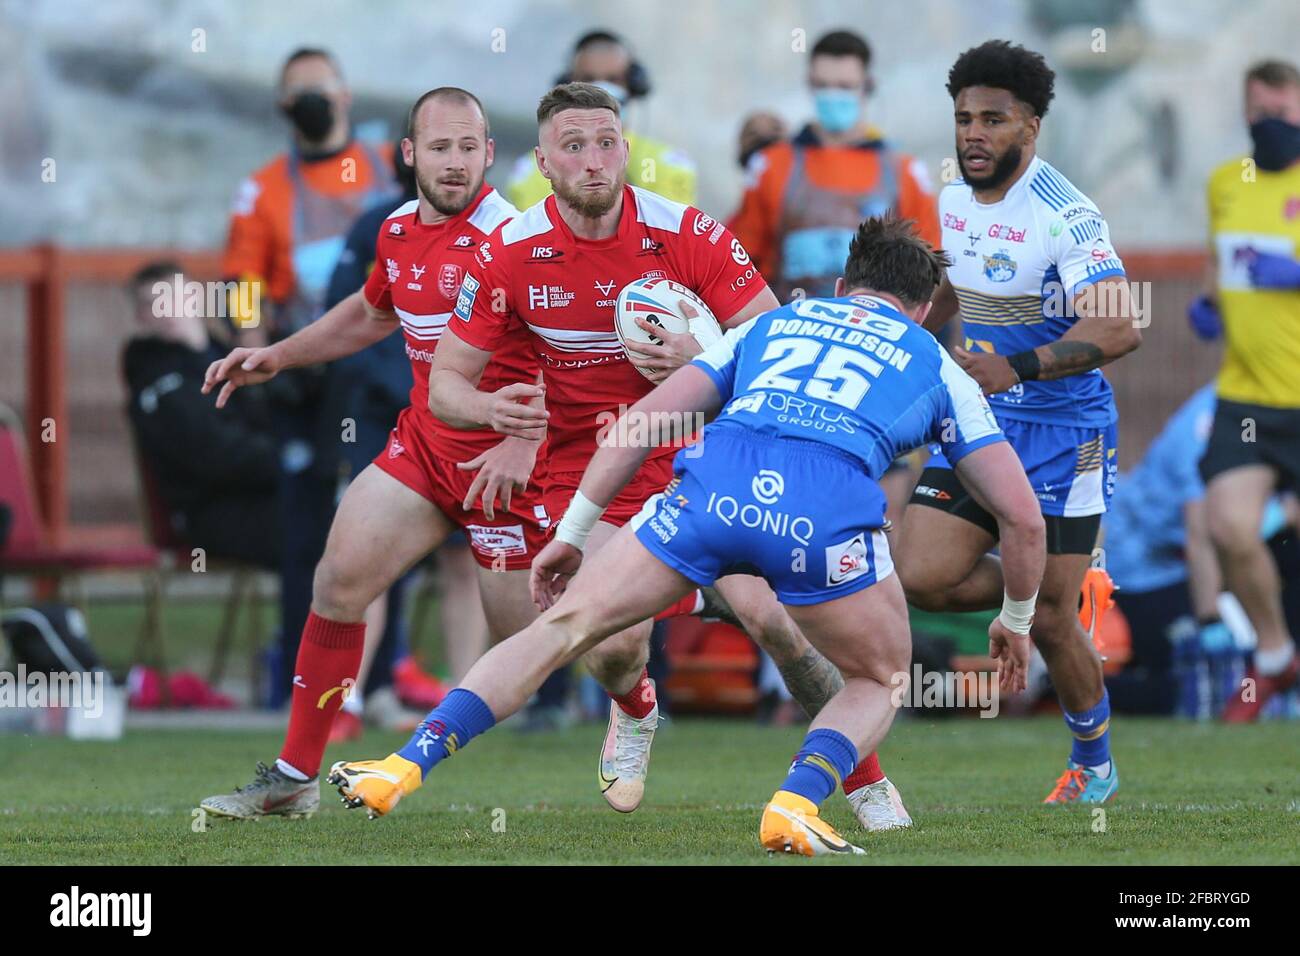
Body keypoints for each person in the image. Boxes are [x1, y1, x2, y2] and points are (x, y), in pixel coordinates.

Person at [327, 217, 1046, 857]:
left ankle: (404, 765)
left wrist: (574, 532)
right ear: (921, 310)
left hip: (710, 493)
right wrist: (1014, 621)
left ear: (839, 284)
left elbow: (640, 426)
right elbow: (1022, 517)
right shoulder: (937, 363)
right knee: (880, 677)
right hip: (817, 520)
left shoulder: (773, 324)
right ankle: (794, 803)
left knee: (563, 628)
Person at [422, 82, 912, 831]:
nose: (595, 160)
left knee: (778, 624)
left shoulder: (689, 233)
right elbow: (444, 384)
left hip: (708, 460)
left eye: (607, 142)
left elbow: (781, 354)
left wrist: (702, 355)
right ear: (543, 163)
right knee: (612, 647)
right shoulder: (508, 252)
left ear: (627, 148)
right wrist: (492, 410)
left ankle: (864, 781)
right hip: (594, 468)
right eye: (575, 146)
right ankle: (636, 706)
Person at [198, 88, 536, 820]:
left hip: (512, 465)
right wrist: (279, 356)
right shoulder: (396, 230)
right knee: (340, 579)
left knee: (543, 639)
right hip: (427, 447)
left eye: (468, 147)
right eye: (438, 147)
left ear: (489, 154)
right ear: (409, 154)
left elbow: (567, 352)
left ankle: (664, 645)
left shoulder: (518, 238)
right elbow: (373, 311)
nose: (454, 162)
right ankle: (293, 777)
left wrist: (521, 437)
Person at [895, 41, 1142, 804]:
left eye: (994, 120)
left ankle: (1093, 763)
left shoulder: (1068, 215)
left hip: (1066, 431)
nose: (974, 134)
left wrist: (1019, 366)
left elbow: (1121, 329)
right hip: (984, 417)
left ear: (1030, 128)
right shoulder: (951, 198)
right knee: (922, 574)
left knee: (1059, 626)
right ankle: (1038, 594)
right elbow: (955, 295)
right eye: (965, 118)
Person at [222, 47, 398, 707]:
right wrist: (254, 352)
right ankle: (306, 683)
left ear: (347, 96)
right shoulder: (263, 189)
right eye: (297, 94)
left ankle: (380, 677)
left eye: (319, 90)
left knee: (393, 521)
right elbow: (243, 281)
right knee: (307, 528)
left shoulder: (388, 170)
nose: (312, 103)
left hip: (388, 374)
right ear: (281, 107)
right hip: (308, 380)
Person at [1190, 59, 1300, 720]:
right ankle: (1275, 656)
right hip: (1248, 395)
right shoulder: (1225, 182)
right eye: (1258, 114)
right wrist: (1207, 305)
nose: (1270, 125)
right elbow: (1217, 263)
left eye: (1282, 114)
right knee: (1228, 525)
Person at [728, 29, 939, 304]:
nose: (833, 95)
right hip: (784, 326)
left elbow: (929, 276)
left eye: (844, 86)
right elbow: (735, 258)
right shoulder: (771, 165)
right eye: (823, 85)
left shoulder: (906, 174)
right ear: (809, 84)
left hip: (873, 336)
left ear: (868, 86)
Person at [122, 261, 279, 570]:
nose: (166, 310)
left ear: (195, 298)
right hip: (211, 512)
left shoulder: (231, 358)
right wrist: (288, 461)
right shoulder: (155, 382)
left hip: (264, 494)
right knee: (315, 529)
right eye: (152, 304)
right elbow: (215, 454)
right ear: (141, 316)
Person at [506, 30, 695, 209]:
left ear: (634, 85)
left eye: (613, 79)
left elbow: (671, 235)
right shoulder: (532, 170)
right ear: (566, 85)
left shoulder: (667, 165)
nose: (600, 90)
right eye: (588, 79)